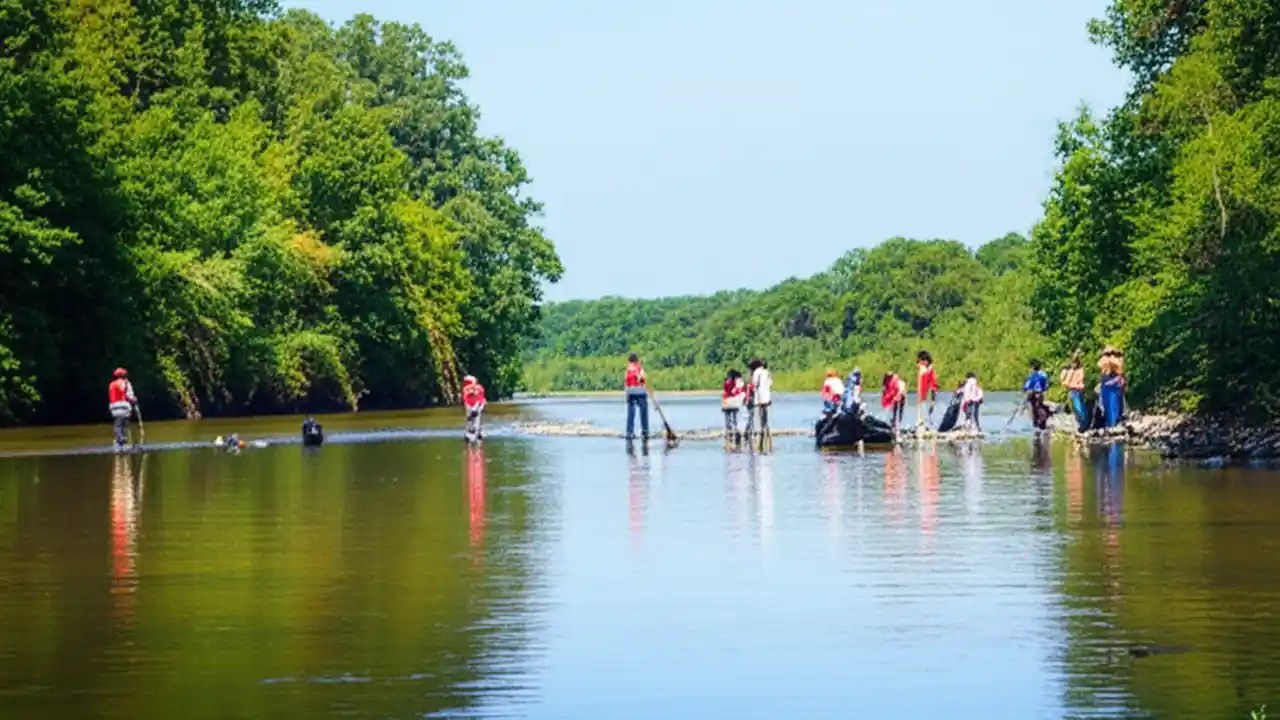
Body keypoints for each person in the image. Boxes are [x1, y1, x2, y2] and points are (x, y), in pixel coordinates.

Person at [107, 368, 137, 452]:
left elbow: (110, 395)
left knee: (118, 424)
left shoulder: (111, 384)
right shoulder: (126, 383)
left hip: (114, 407)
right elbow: (130, 397)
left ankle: (118, 442)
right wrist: (134, 400)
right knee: (125, 424)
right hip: (124, 406)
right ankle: (124, 441)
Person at [624, 353, 650, 440]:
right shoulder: (639, 368)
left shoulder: (628, 369)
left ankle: (629, 432)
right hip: (641, 392)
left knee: (631, 413)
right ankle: (645, 431)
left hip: (631, 393)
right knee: (643, 412)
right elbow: (643, 379)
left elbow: (626, 383)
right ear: (636, 360)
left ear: (629, 361)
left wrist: (626, 395)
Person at [1098, 347, 1126, 428]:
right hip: (1111, 384)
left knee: (1112, 404)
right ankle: (1113, 422)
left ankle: (1113, 422)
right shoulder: (1114, 360)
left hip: (1112, 385)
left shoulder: (1115, 360)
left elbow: (1119, 372)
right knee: (1112, 404)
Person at [748, 358, 774, 446]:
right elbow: (770, 383)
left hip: (759, 400)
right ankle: (767, 439)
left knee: (758, 421)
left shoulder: (756, 372)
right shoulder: (767, 372)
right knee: (766, 421)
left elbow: (754, 384)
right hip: (767, 399)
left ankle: (758, 440)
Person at [1060, 352, 1087, 431]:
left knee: (1079, 407)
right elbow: (1064, 381)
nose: (1073, 365)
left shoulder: (1080, 371)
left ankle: (1083, 424)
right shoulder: (1070, 371)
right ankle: (1079, 424)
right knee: (1074, 408)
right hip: (1071, 391)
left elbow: (1080, 381)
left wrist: (1073, 385)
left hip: (1077, 391)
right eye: (1072, 363)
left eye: (1074, 363)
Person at [1024, 360, 1051, 430]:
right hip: (1040, 393)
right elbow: (1046, 385)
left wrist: (1025, 391)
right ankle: (1041, 423)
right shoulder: (1043, 374)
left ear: (1032, 367)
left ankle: (1037, 424)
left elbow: (1027, 385)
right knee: (1038, 407)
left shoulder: (1033, 375)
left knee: (1034, 409)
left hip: (1034, 393)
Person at [916, 350, 939, 428]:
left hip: (926, 397)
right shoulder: (923, 369)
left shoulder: (929, 371)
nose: (920, 363)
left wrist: (933, 400)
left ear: (926, 360)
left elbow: (933, 385)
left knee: (926, 416)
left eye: (921, 361)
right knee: (921, 416)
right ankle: (922, 427)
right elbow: (920, 385)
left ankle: (928, 428)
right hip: (921, 398)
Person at [722, 369, 746, 439]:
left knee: (727, 417)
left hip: (727, 403)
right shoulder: (735, 383)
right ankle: (735, 428)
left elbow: (727, 393)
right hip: (734, 403)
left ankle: (728, 430)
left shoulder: (726, 383)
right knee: (734, 417)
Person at [462, 375, 487, 441]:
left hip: (479, 404)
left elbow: (479, 401)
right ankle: (470, 431)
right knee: (469, 418)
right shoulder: (465, 390)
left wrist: (475, 409)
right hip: (470, 405)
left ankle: (479, 431)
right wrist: (469, 410)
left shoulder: (479, 388)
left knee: (477, 417)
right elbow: (466, 401)